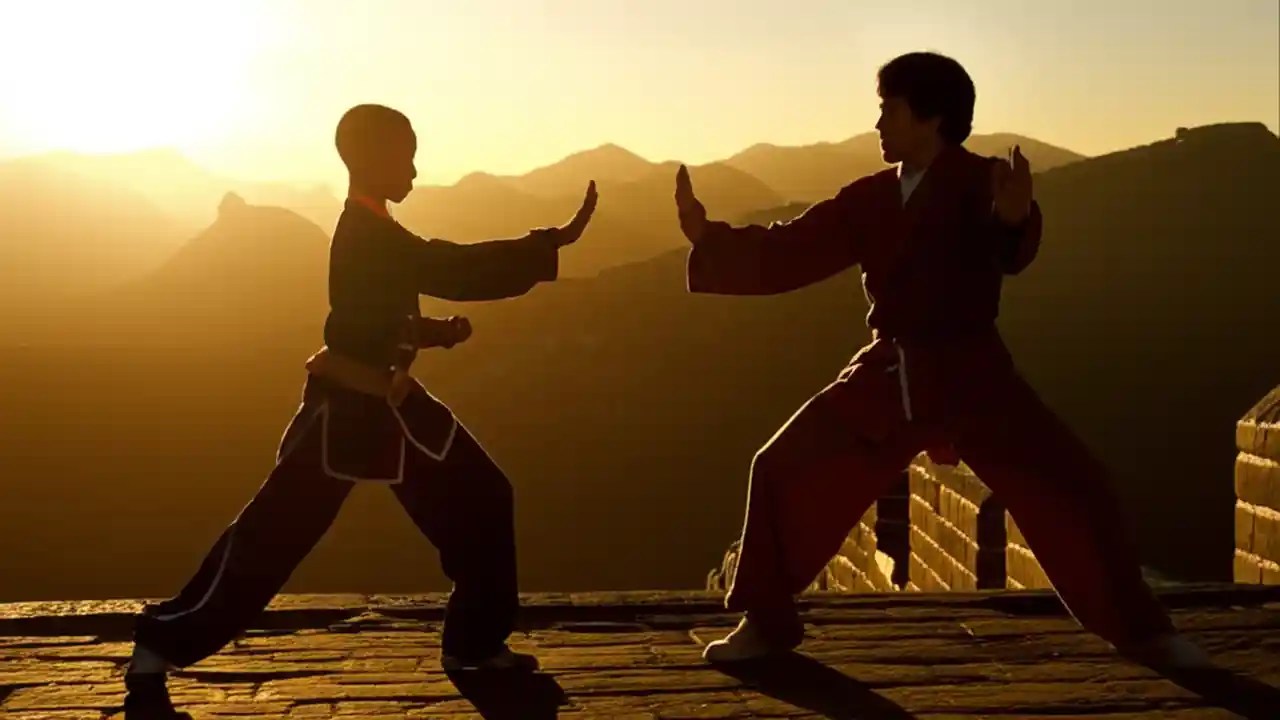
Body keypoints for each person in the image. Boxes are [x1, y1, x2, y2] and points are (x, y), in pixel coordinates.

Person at [676, 51, 1212, 671]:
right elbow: (792, 248)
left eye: (890, 109)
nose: (878, 123)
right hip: (891, 370)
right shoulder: (871, 198)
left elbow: (1012, 246)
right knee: (779, 466)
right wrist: (708, 238)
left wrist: (1014, 219)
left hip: (973, 373)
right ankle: (766, 623)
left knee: (1078, 486)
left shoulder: (983, 182)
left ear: (931, 117)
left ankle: (1145, 633)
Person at [123, 103, 598, 711]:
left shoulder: (374, 230)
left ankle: (474, 644)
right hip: (346, 414)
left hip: (392, 408)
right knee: (270, 538)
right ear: (371, 160)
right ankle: (159, 642)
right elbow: (452, 267)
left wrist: (436, 333)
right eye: (406, 157)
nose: (414, 171)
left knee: (483, 496)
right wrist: (549, 243)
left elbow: (376, 319)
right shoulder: (368, 235)